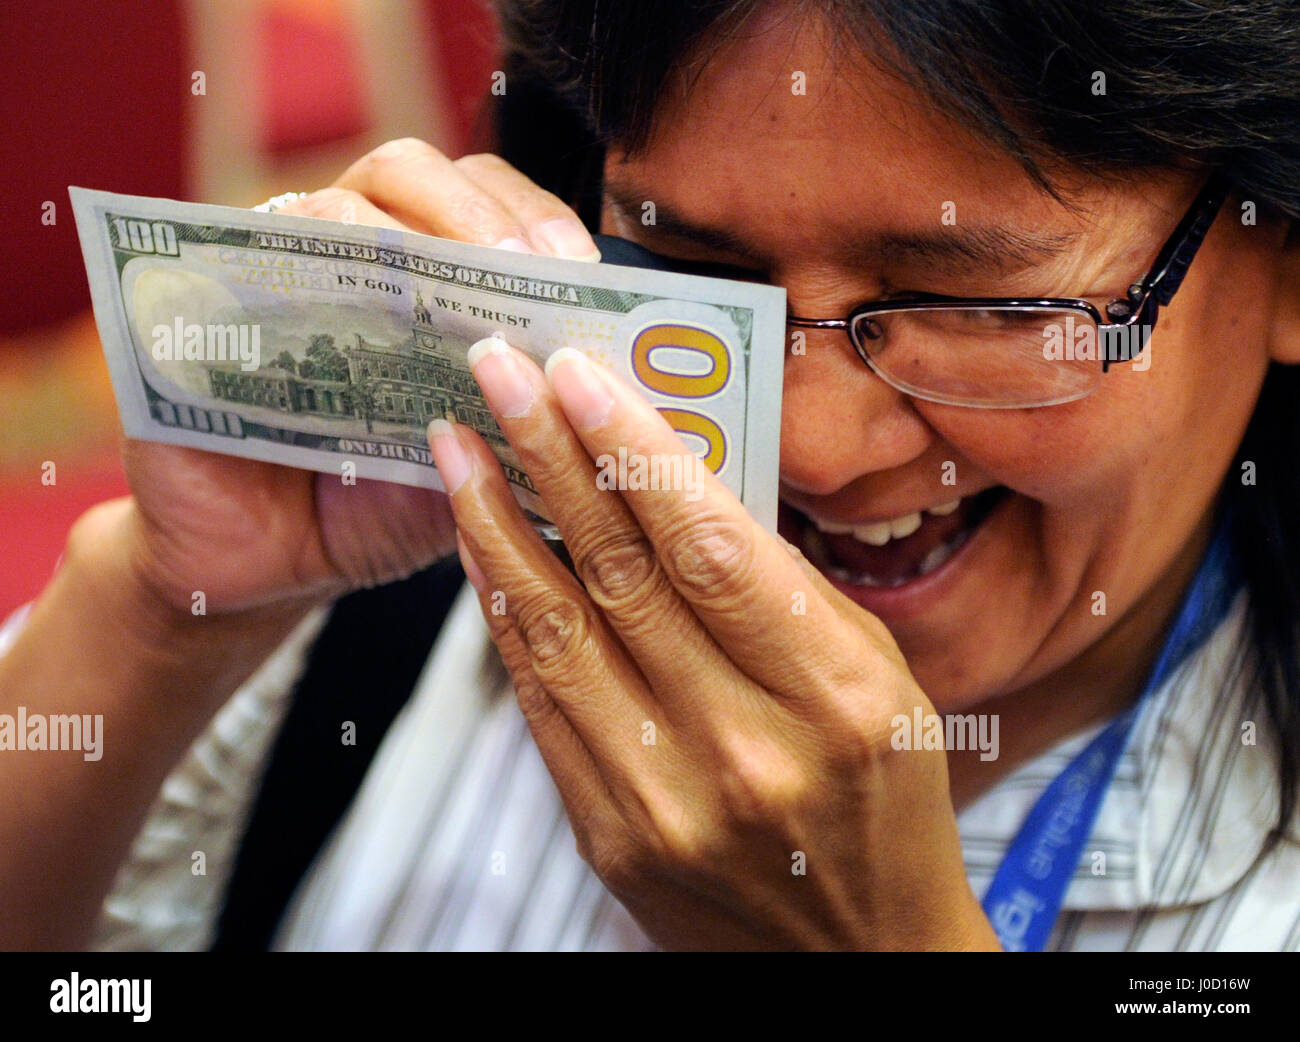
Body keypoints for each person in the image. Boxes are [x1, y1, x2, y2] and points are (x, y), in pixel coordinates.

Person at [2, 0, 1299, 951]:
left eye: (978, 305)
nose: (812, 448)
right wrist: (159, 614)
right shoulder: (419, 557)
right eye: (699, 287)